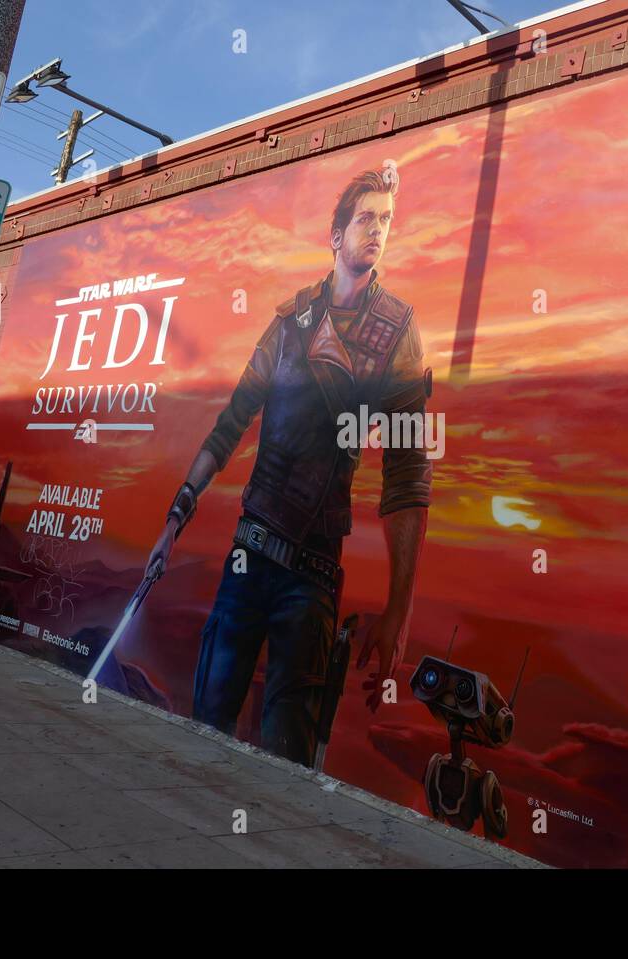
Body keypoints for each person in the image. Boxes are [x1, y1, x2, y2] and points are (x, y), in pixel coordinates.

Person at [146, 166, 433, 765]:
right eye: (365, 219)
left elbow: (407, 476)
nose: (377, 230)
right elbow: (233, 422)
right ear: (336, 234)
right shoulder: (288, 324)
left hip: (312, 575)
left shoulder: (399, 332)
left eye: (386, 220)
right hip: (248, 556)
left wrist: (399, 610)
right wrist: (178, 512)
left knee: (287, 759)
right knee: (206, 731)